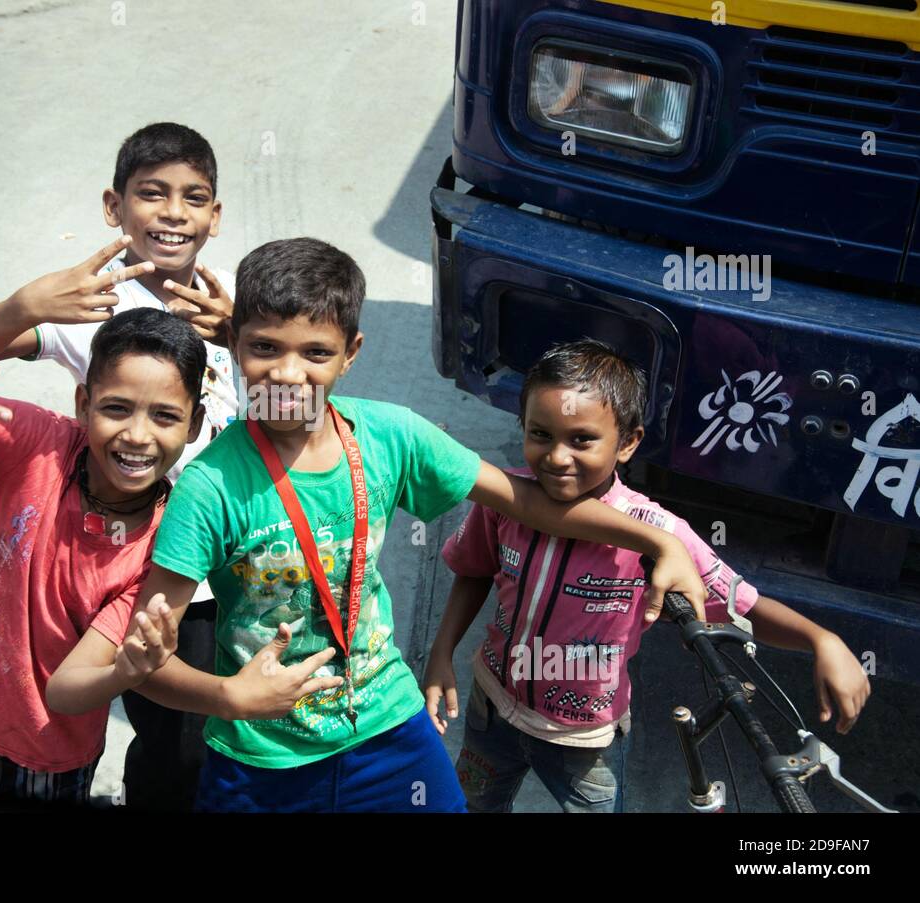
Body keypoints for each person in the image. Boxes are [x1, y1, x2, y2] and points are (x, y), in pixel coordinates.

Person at [47, 237, 712, 813]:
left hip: (386, 724)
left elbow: (526, 499)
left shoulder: (390, 435)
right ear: (234, 348)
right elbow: (141, 653)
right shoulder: (210, 485)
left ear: (350, 353)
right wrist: (229, 695)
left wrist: (658, 540)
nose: (287, 371)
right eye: (264, 347)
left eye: (315, 350)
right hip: (259, 754)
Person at [422, 339, 871, 812]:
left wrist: (822, 639)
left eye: (581, 440)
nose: (557, 457)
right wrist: (441, 654)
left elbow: (747, 607)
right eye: (540, 434)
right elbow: (472, 570)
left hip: (587, 745)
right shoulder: (505, 500)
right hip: (491, 711)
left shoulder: (661, 534)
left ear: (629, 442)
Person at [0, 122, 235, 810]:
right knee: (162, 737)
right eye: (151, 194)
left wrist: (241, 332)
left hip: (221, 567)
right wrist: (25, 304)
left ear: (215, 216)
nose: (173, 213)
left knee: (203, 741)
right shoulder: (97, 304)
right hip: (141, 574)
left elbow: (292, 402)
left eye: (193, 198)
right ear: (115, 208)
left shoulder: (228, 306)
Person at [0, 307, 198, 804]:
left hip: (55, 755)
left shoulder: (167, 550)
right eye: (116, 408)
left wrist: (125, 673)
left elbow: (68, 690)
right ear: (82, 403)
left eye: (165, 416)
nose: (137, 435)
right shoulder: (39, 444)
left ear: (195, 423)